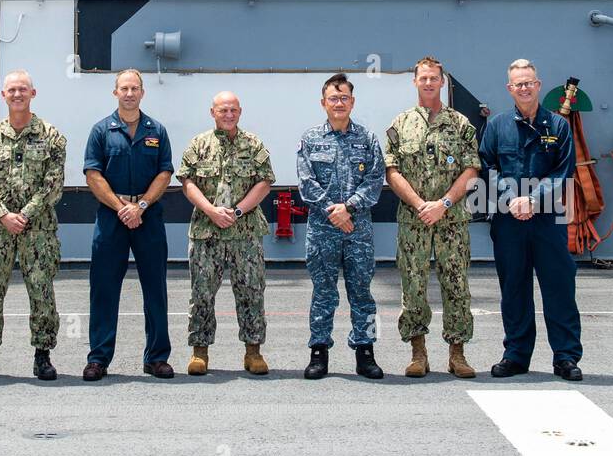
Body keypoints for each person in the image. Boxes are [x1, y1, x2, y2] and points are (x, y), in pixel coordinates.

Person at [478, 58, 583, 381]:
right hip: (509, 218)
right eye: (518, 84)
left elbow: (563, 170)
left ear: (538, 85)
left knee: (558, 286)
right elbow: (487, 166)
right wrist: (512, 200)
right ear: (510, 89)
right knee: (513, 287)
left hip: (548, 216)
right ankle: (516, 355)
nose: (524, 88)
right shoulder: (496, 126)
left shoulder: (559, 126)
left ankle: (565, 357)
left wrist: (533, 200)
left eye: (529, 82)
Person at [384, 56, 481, 379]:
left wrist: (443, 203)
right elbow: (392, 170)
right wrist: (419, 204)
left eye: (433, 78)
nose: (428, 83)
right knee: (413, 286)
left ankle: (457, 353)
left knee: (457, 285)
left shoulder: (460, 124)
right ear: (415, 82)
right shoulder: (401, 124)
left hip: (451, 221)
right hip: (413, 222)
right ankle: (418, 353)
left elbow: (471, 170)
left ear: (442, 82)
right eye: (422, 78)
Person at [0, 70, 65, 383]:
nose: (18, 95)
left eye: (23, 89)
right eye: (12, 90)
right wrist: (4, 215)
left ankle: (43, 354)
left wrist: (24, 214)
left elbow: (54, 183)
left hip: (38, 231)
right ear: (4, 95)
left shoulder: (51, 136)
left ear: (33, 94)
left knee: (41, 292)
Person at [81, 69, 175, 380]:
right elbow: (93, 174)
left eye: (135, 88)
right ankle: (98, 359)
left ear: (142, 93)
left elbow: (165, 173)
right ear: (115, 93)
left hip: (148, 216)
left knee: (155, 288)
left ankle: (157, 358)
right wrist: (122, 208)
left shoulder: (156, 130)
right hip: (112, 216)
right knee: (104, 288)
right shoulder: (101, 131)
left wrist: (141, 206)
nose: (130, 93)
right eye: (124, 88)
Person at [296, 73, 386, 380]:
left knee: (362, 292)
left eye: (344, 98)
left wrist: (348, 208)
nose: (339, 103)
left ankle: (366, 352)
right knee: (323, 291)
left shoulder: (368, 139)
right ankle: (319, 352)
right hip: (322, 230)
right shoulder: (310, 139)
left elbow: (376, 180)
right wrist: (332, 210)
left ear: (352, 102)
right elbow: (306, 183)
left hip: (357, 229)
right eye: (333, 98)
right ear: (323, 103)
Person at [177, 91, 274, 376]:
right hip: (207, 233)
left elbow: (264, 183)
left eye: (233, 110)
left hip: (245, 233)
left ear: (240, 112)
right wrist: (210, 210)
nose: (228, 115)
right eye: (223, 110)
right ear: (213, 112)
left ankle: (253, 351)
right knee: (202, 293)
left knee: (251, 293)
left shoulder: (253, 144)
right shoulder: (198, 144)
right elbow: (187, 182)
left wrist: (238, 211)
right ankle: (200, 352)